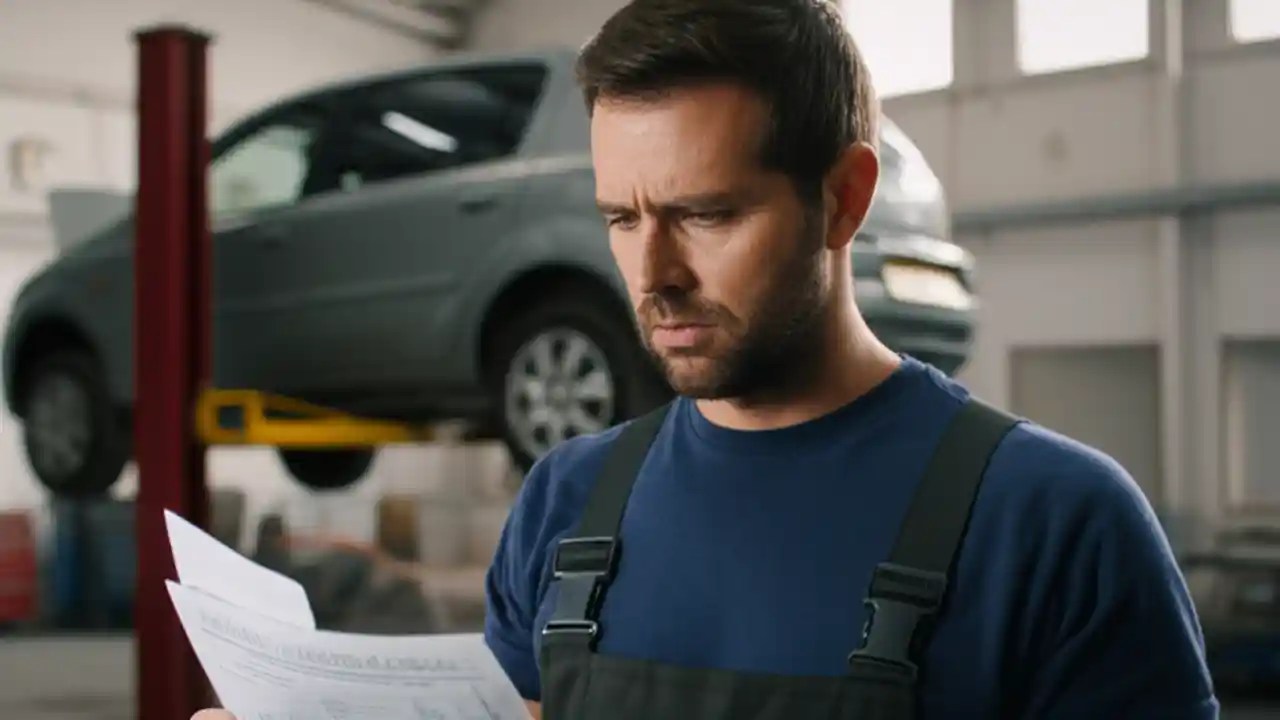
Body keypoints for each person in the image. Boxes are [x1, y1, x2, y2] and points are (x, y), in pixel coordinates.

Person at [193, 0, 1220, 718]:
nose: (654, 272)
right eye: (620, 218)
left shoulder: (1051, 522)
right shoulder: (566, 503)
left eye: (704, 213)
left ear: (843, 199)